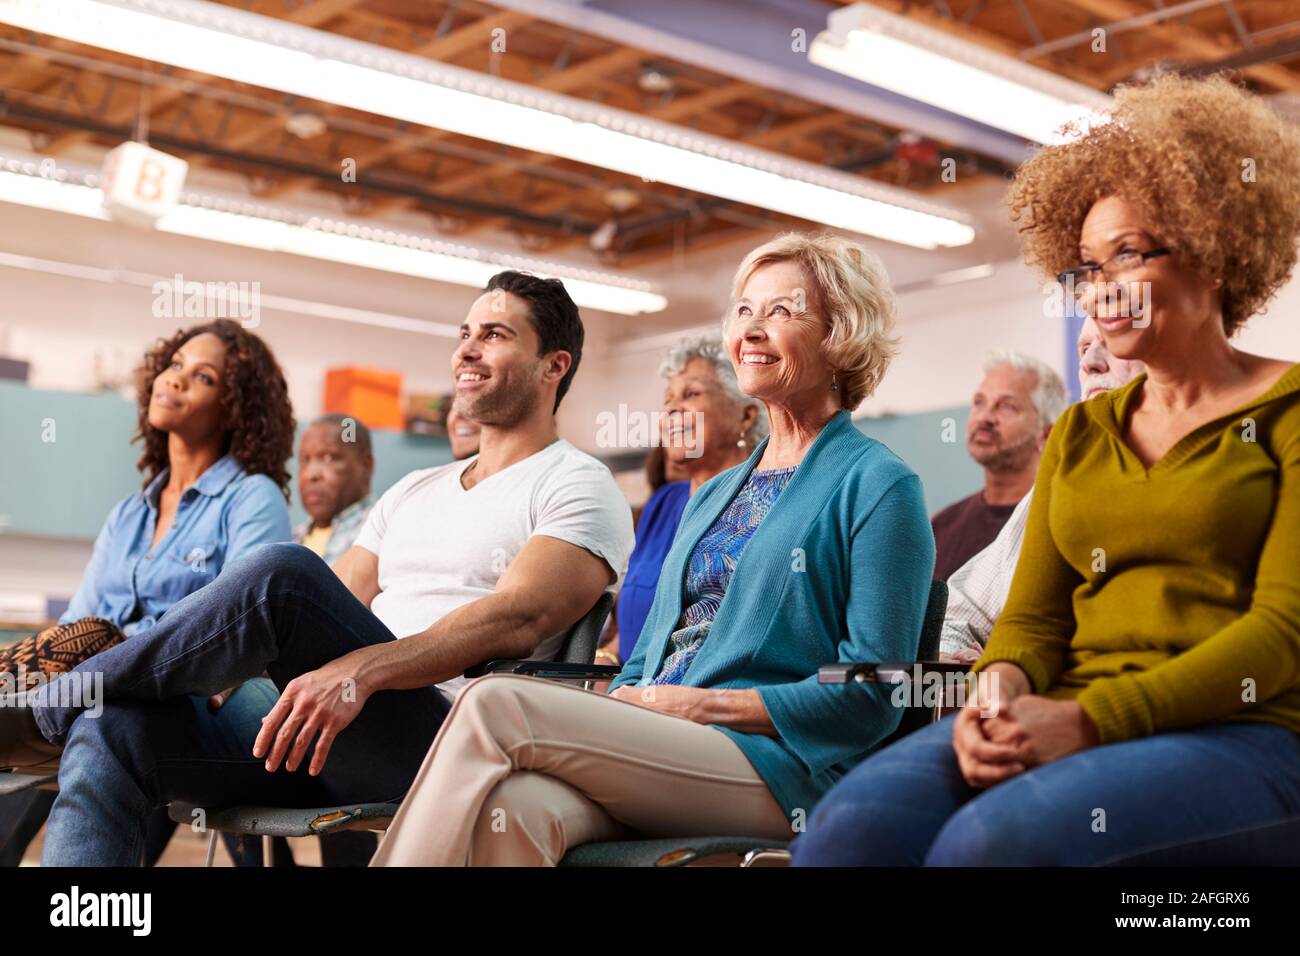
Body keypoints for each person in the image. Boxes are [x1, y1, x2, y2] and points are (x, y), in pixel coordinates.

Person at [792, 73, 1300, 866]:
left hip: (1250, 736)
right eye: (1087, 267)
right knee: (851, 826)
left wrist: (1091, 722)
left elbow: (1281, 635)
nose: (1099, 292)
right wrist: (997, 695)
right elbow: (1030, 622)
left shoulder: (1290, 411)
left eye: (1127, 255)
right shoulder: (1083, 433)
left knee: (992, 846)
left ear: (1214, 251)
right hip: (1066, 713)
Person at [0, 271, 634, 868]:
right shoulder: (414, 489)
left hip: (444, 738)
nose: (467, 350)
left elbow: (516, 619)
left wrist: (357, 673)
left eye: (494, 335)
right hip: (312, 728)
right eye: (464, 334)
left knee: (282, 572)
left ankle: (40, 708)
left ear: (555, 365)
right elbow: (339, 599)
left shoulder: (578, 484)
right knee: (111, 728)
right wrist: (228, 661)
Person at [369, 231, 934, 867]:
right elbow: (647, 657)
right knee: (519, 810)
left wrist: (700, 704)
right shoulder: (715, 491)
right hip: (665, 738)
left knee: (493, 699)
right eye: (744, 310)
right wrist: (633, 697)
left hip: (781, 769)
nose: (750, 330)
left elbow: (878, 692)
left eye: (781, 311)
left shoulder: (880, 485)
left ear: (842, 335)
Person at [0, 319, 294, 866]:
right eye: (174, 365)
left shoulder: (251, 497)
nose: (175, 380)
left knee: (93, 717)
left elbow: (248, 621)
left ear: (233, 407)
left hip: (196, 690)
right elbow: (80, 626)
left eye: (201, 376)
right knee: (78, 677)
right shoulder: (130, 512)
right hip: (98, 688)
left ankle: (23, 715)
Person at [939, 316, 1144, 662]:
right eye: (1083, 348)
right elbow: (961, 615)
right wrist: (957, 661)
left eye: (1112, 338)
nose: (1090, 362)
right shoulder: (1061, 486)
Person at [224, 413, 378, 867]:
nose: (312, 472)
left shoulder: (376, 531)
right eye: (306, 459)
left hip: (342, 697)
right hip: (275, 690)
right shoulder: (290, 538)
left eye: (330, 458)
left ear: (365, 465)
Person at [608, 334, 767, 665]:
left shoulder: (767, 508)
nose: (671, 409)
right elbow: (639, 621)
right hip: (626, 696)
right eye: (667, 400)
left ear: (746, 416)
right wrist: (605, 659)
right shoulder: (664, 503)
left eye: (691, 394)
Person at [929, 352, 1066, 580]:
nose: (985, 417)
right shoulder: (941, 526)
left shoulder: (1063, 520)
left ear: (1046, 434)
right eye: (979, 402)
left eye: (1007, 407)